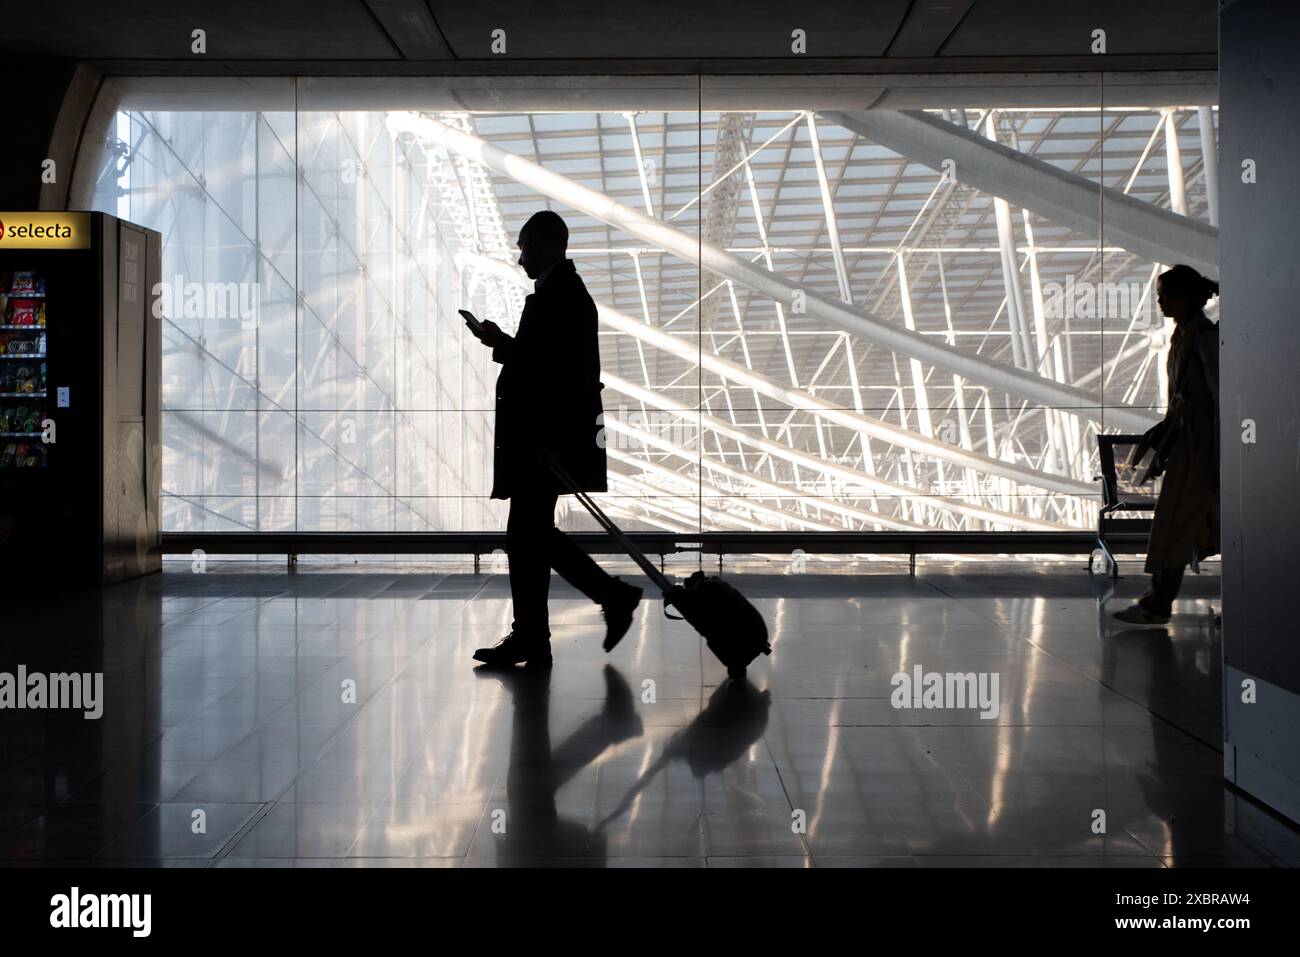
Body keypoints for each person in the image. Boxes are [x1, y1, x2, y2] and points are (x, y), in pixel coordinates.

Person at [464, 210, 643, 667]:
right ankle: (553, 626)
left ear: (543, 245)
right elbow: (544, 364)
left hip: (541, 441)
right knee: (530, 534)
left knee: (527, 534)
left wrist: (500, 344)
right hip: (546, 439)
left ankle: (574, 614)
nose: (520, 254)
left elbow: (550, 375)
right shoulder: (566, 294)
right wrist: (498, 340)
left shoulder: (557, 298)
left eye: (524, 245)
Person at [1114, 264, 1220, 625]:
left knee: (1175, 523)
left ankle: (1159, 602)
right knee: (1192, 523)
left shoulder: (1202, 338)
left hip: (1199, 447)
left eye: (1166, 295)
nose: (1160, 301)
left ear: (1187, 297)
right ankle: (1160, 599)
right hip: (1192, 443)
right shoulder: (1187, 335)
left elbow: (1218, 396)